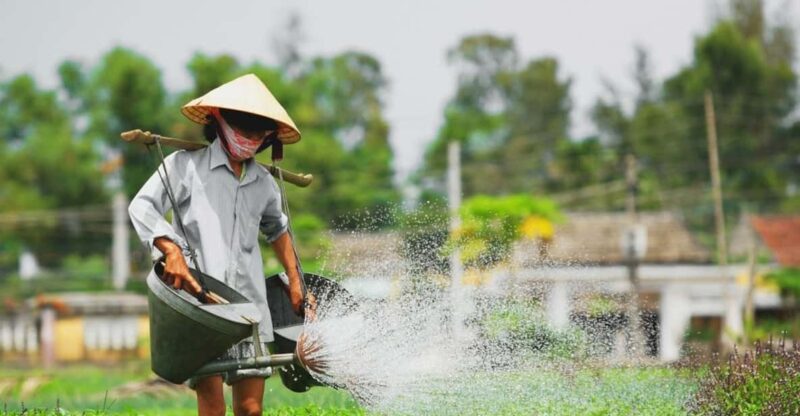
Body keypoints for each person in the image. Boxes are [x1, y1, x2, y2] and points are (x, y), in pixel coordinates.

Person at [128, 74, 307, 416]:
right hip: (201, 306)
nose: (250, 141)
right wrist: (171, 250)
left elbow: (278, 229)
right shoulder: (184, 168)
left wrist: (295, 279)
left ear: (269, 138)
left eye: (258, 135)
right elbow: (142, 206)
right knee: (212, 407)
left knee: (251, 409)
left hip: (248, 307)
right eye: (244, 131)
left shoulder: (264, 184)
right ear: (219, 122)